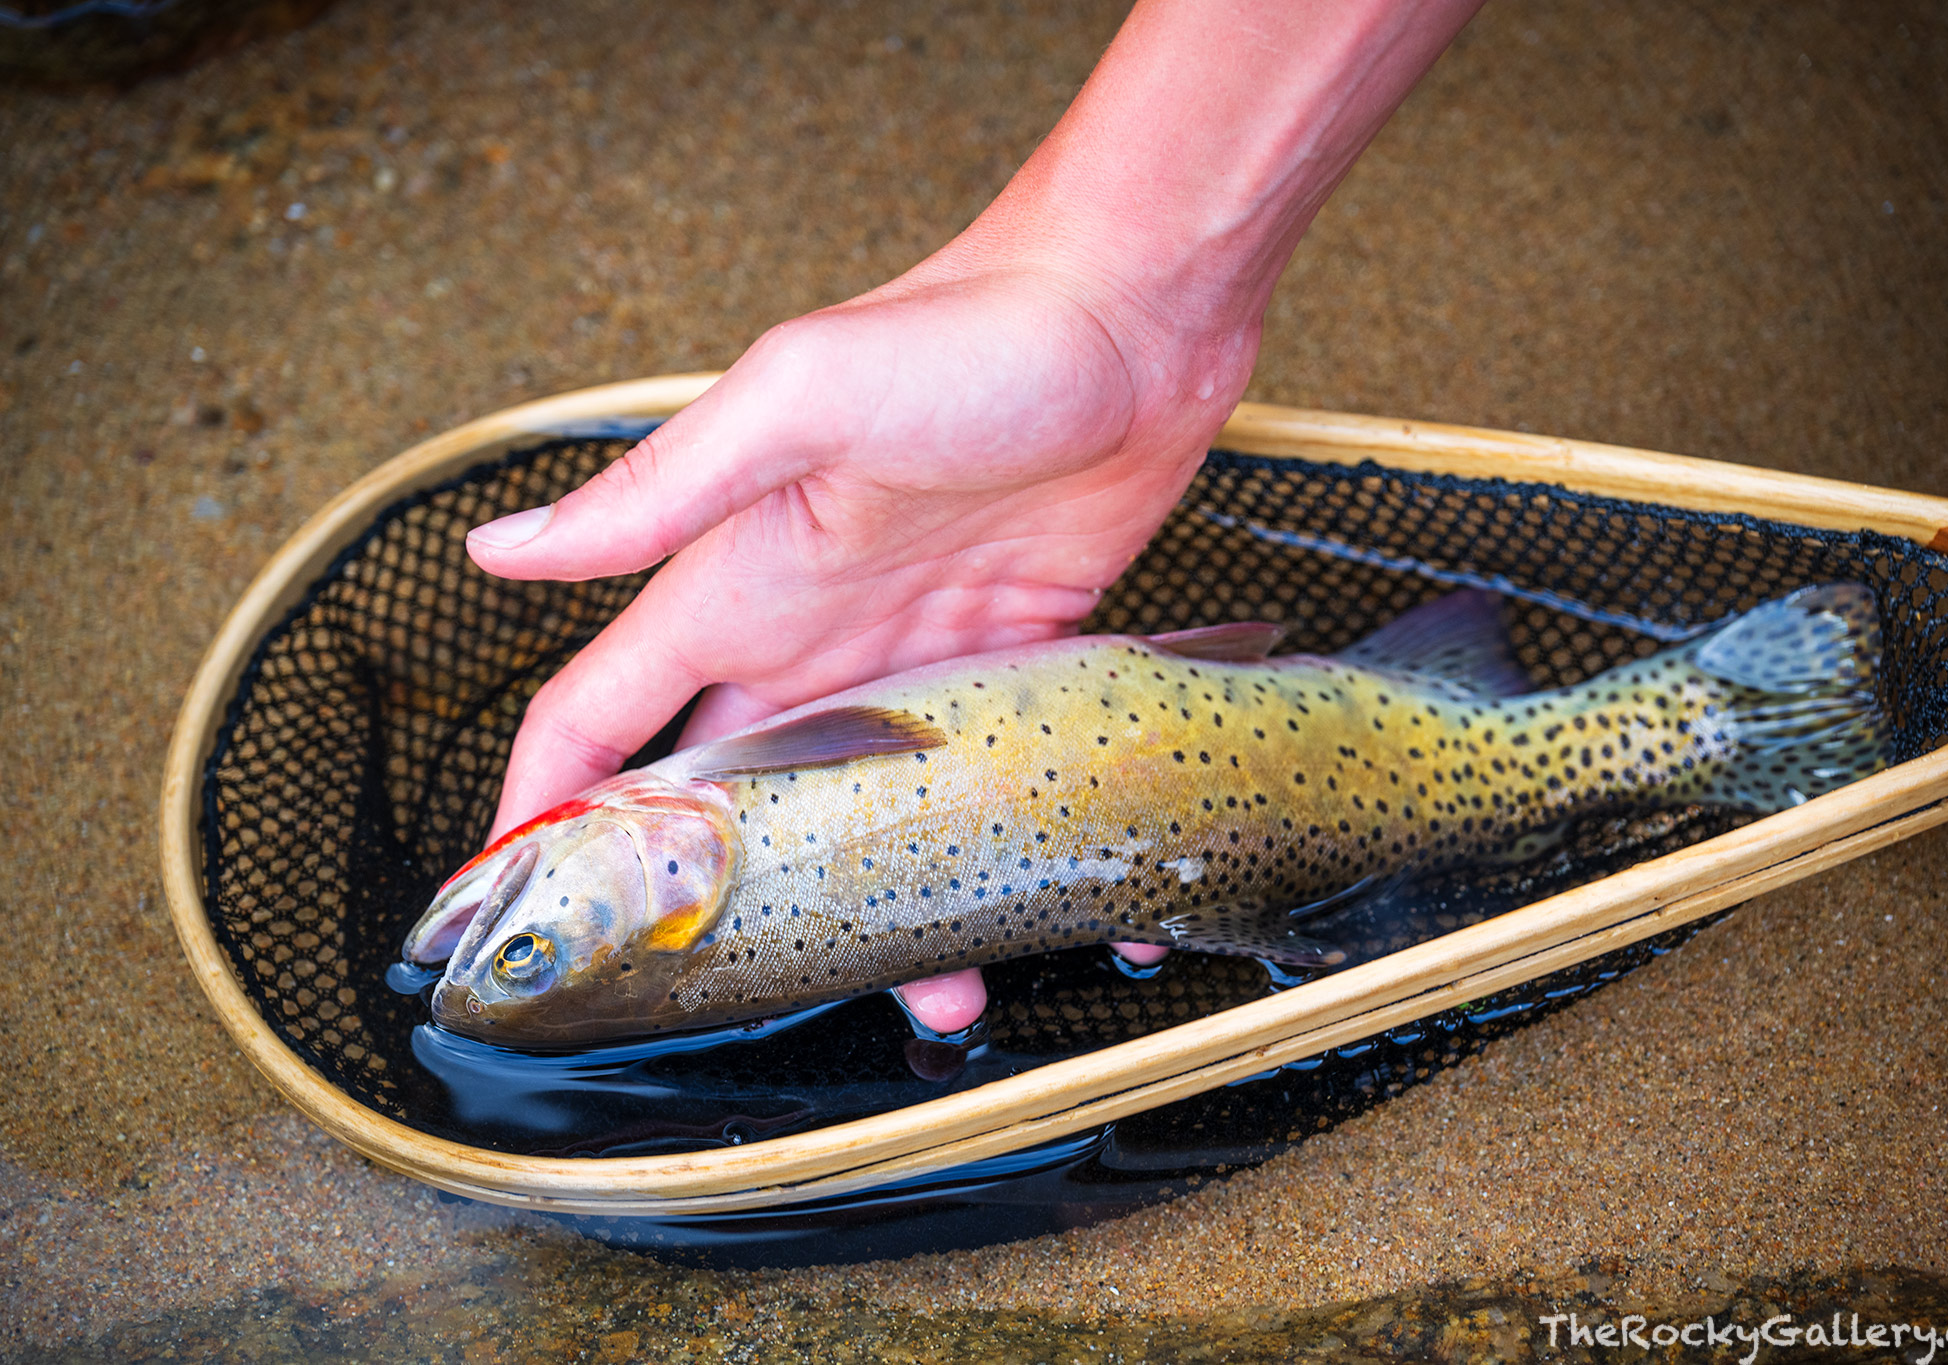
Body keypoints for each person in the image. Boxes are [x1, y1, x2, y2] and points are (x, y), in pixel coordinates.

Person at [465, 1, 1487, 1034]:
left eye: (521, 955)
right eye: (520, 951)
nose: (494, 937)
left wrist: (1113, 310)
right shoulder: (710, 819)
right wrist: (1121, 311)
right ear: (670, 913)